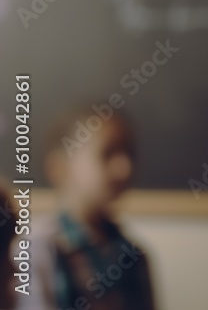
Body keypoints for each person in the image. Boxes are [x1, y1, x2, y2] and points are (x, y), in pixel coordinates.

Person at [15, 109, 155, 310]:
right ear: (59, 168)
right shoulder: (36, 249)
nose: (124, 168)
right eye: (108, 153)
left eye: (129, 153)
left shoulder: (133, 254)